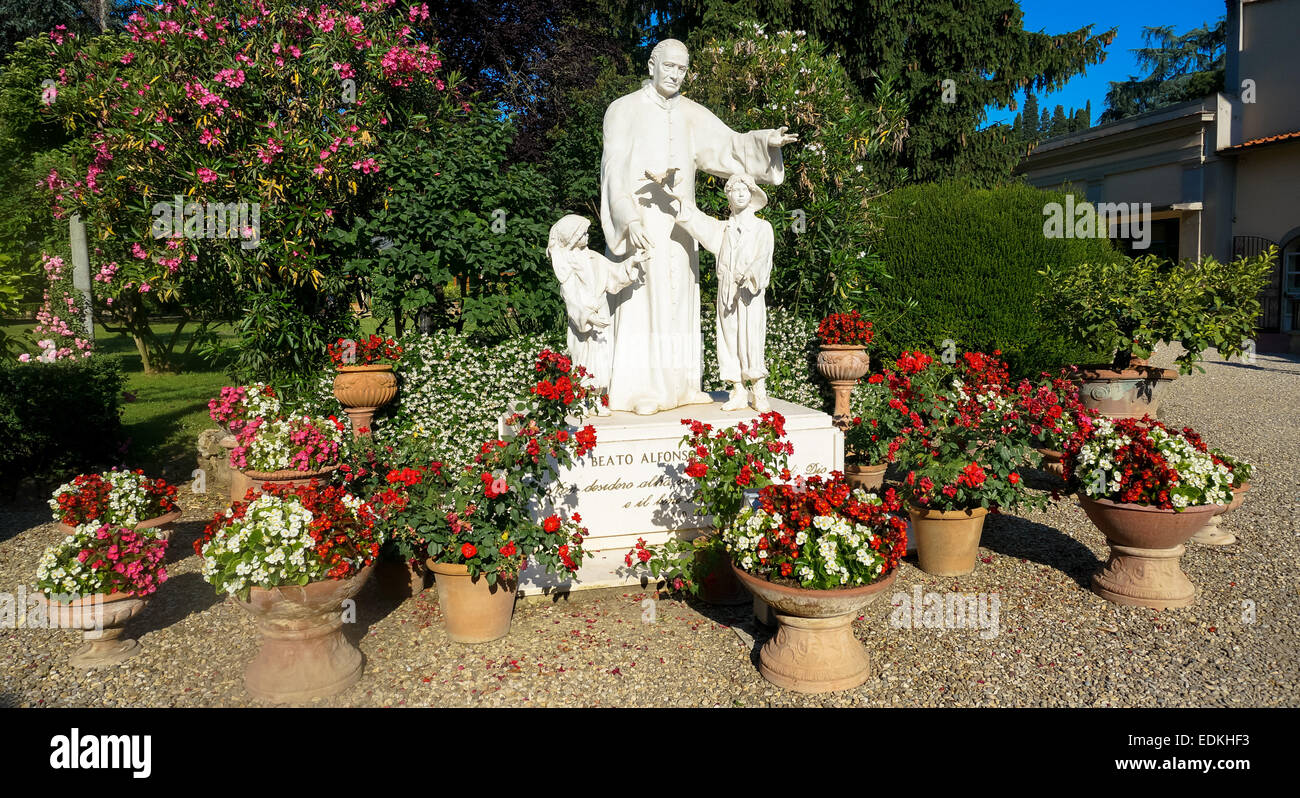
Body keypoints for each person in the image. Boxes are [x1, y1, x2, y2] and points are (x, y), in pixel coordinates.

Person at [600, 38, 797, 415]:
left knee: (679, 301)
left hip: (679, 224)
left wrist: (766, 141)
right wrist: (627, 218)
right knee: (645, 300)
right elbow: (612, 171)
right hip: (640, 224)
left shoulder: (692, 113)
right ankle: (640, 389)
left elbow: (730, 147)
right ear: (651, 65)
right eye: (669, 66)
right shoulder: (622, 110)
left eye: (682, 69)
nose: (675, 74)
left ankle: (684, 384)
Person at [669, 174, 774, 412]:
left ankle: (758, 389)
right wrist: (675, 194)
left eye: (744, 190)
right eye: (734, 190)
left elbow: (764, 257)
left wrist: (750, 274)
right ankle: (737, 389)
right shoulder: (722, 229)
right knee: (728, 339)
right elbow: (696, 219)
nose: (739, 194)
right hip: (727, 292)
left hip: (750, 293)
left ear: (752, 194)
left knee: (751, 339)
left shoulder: (761, 227)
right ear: (727, 195)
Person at [547, 215, 646, 415]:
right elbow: (570, 296)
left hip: (601, 314)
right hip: (583, 321)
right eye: (582, 233)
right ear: (572, 238)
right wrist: (587, 316)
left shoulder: (593, 257)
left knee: (601, 358)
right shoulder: (566, 264)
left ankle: (596, 400)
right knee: (582, 359)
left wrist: (632, 261)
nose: (587, 236)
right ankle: (580, 402)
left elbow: (613, 273)